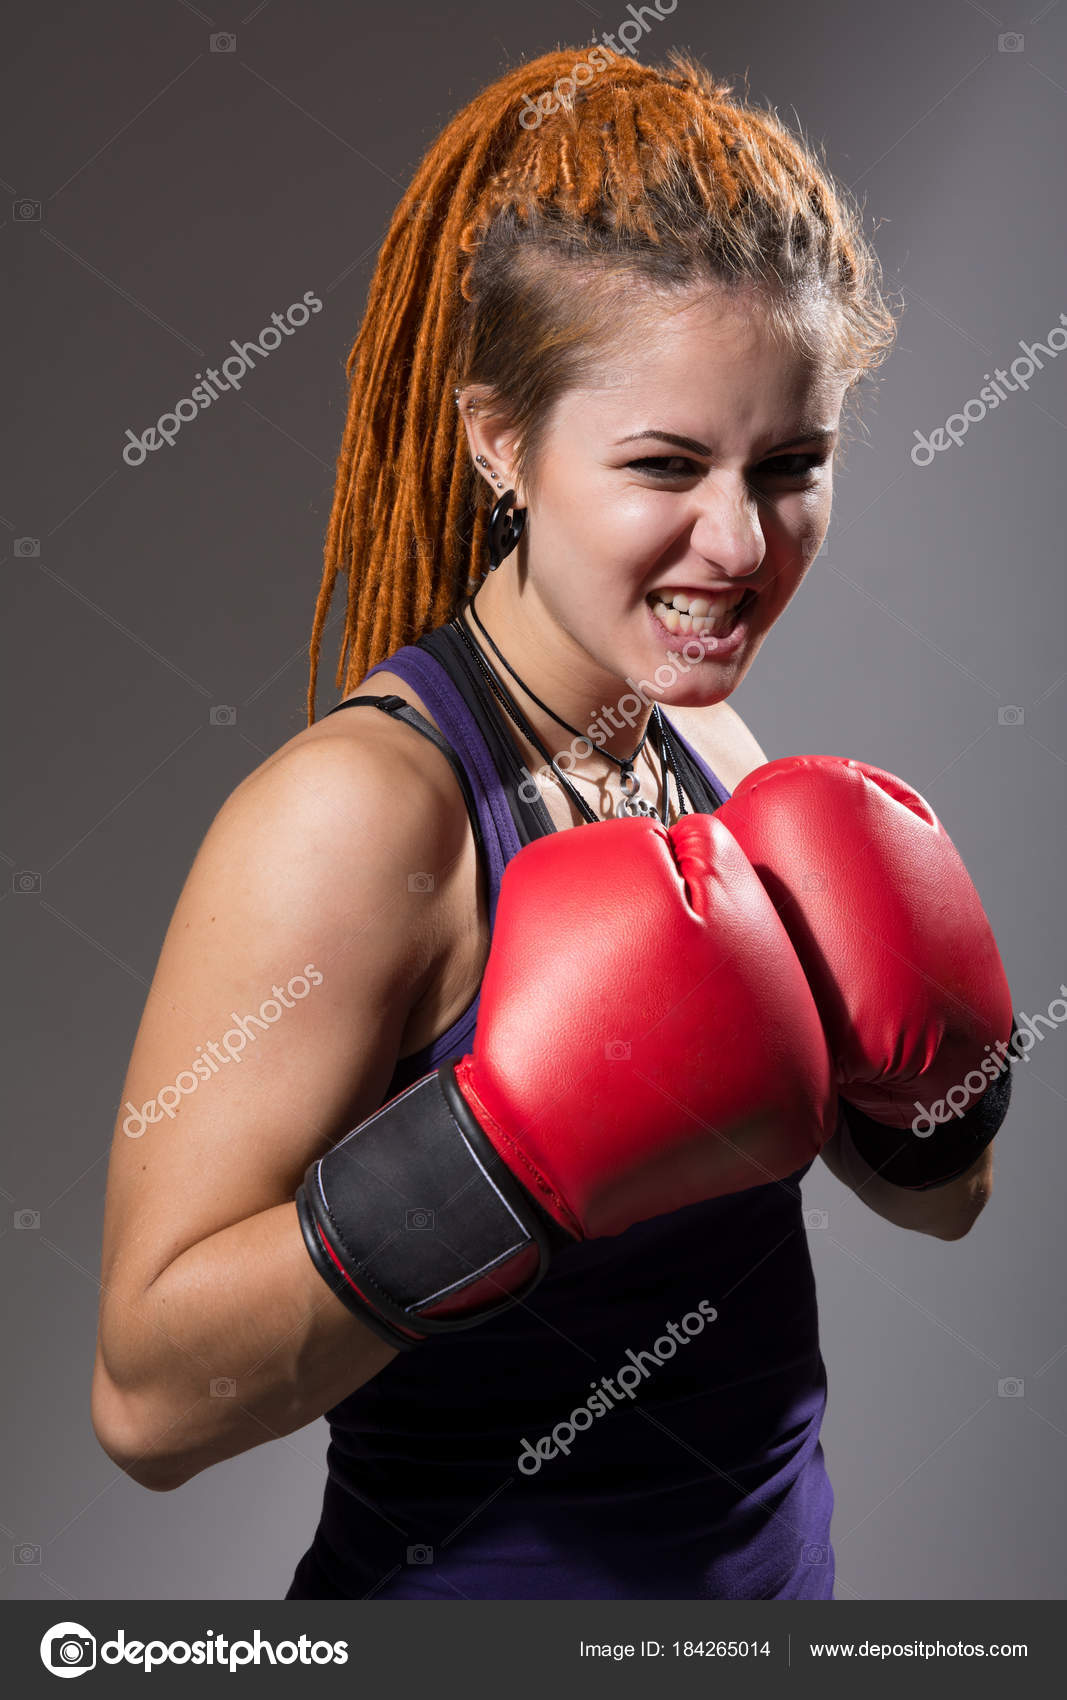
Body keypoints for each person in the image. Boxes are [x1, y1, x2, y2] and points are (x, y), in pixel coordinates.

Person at [92, 46, 1014, 1601]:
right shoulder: (363, 817)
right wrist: (500, 1157)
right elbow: (145, 1400)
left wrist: (931, 1079)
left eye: (794, 466)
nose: (737, 541)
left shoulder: (709, 743)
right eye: (664, 464)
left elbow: (943, 1208)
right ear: (500, 443)